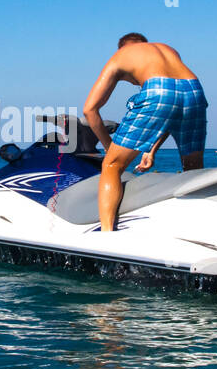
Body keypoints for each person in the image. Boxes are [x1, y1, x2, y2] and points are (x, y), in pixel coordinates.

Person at [82, 32, 208, 231]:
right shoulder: (167, 50)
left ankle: (106, 234)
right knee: (193, 169)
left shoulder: (121, 55)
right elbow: (172, 111)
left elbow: (89, 109)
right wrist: (150, 151)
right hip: (194, 90)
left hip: (157, 91)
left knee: (111, 167)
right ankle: (199, 229)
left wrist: (110, 149)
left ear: (123, 47)